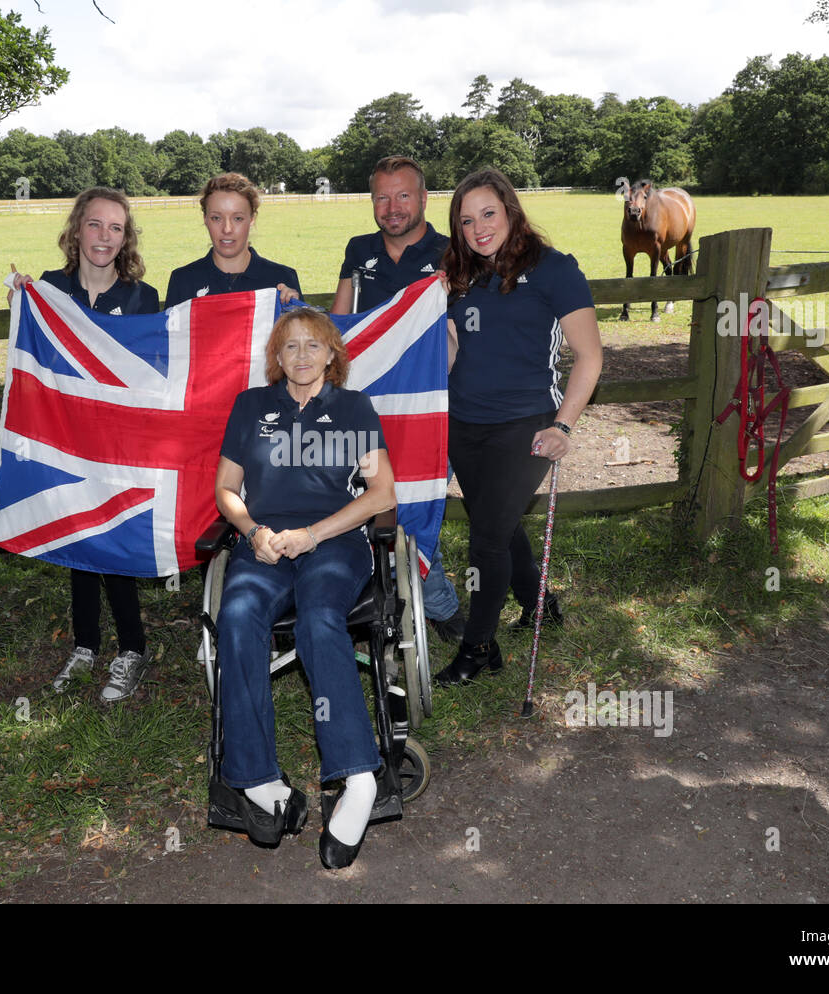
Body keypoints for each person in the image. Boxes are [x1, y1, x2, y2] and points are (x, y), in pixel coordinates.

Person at [211, 308, 396, 869]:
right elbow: (226, 489)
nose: (301, 356)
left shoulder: (353, 408)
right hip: (266, 542)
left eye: (313, 345)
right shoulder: (251, 405)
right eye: (289, 347)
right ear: (277, 356)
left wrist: (313, 534)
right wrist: (252, 531)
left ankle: (359, 778)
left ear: (331, 353)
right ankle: (262, 784)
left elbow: (382, 494)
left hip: (332, 540)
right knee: (237, 617)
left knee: (320, 619)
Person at [435, 169, 602, 686]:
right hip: (463, 424)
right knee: (498, 523)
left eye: (488, 213)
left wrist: (564, 427)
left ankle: (479, 648)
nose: (479, 228)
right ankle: (539, 602)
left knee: (485, 539)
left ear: (510, 210)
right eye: (466, 220)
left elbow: (590, 357)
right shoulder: (459, 275)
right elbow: (454, 351)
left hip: (527, 424)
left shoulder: (555, 270)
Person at [9, 187, 160, 704]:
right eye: (95, 225)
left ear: (126, 238)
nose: (104, 236)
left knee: (114, 536)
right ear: (77, 230)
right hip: (68, 440)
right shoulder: (50, 290)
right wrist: (21, 303)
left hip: (120, 442)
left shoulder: (144, 298)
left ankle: (133, 647)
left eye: (115, 228)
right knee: (79, 538)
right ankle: (86, 644)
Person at [330, 155, 465, 643]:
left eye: (403, 195)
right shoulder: (358, 249)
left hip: (425, 408)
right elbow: (339, 328)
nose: (392, 207)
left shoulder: (451, 252)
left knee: (409, 503)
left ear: (424, 198)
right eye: (382, 197)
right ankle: (378, 599)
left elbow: (458, 337)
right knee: (368, 501)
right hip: (368, 408)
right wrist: (291, 309)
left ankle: (436, 603)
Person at [164, 172, 301, 308]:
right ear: (205, 219)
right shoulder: (183, 280)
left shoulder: (282, 278)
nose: (227, 229)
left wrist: (297, 315)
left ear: (252, 219)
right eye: (216, 218)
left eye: (238, 218)